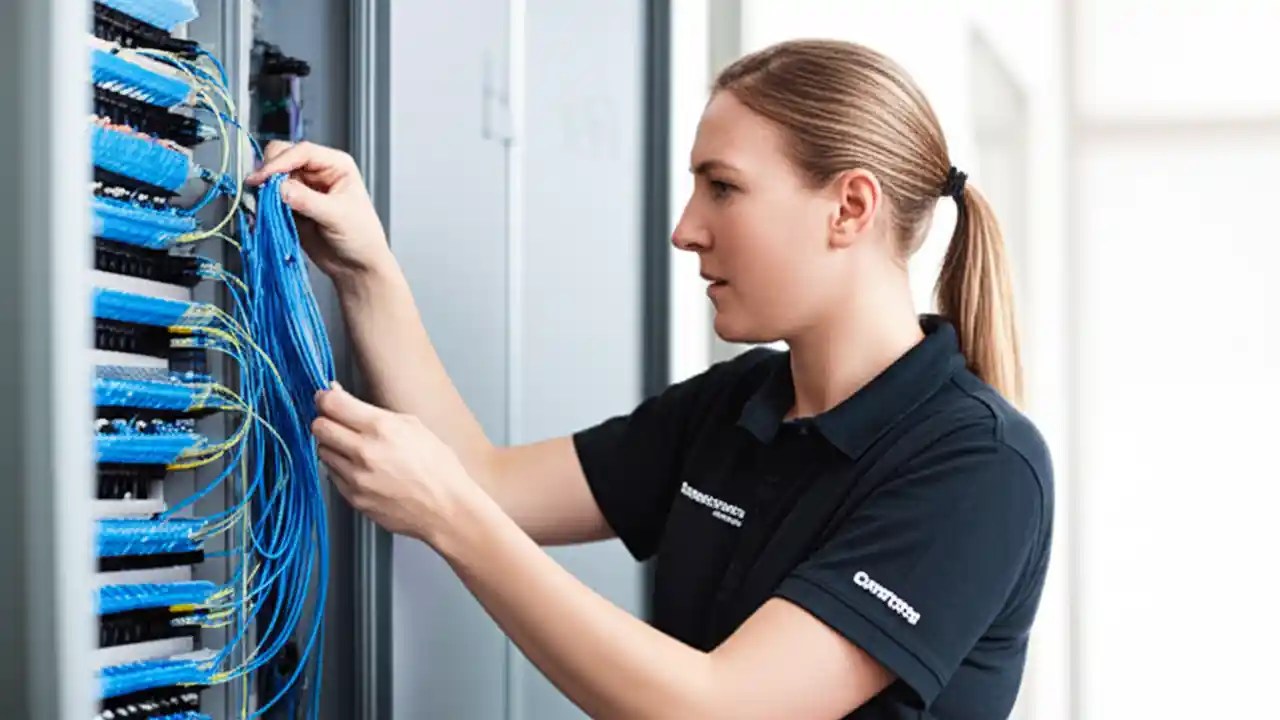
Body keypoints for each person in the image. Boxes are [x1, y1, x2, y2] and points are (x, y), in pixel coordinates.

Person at [247, 38, 1053, 720]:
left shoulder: (979, 469)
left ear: (848, 208)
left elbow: (721, 706)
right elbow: (487, 480)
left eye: (723, 187)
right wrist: (365, 270)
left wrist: (450, 518)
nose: (685, 229)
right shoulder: (739, 404)